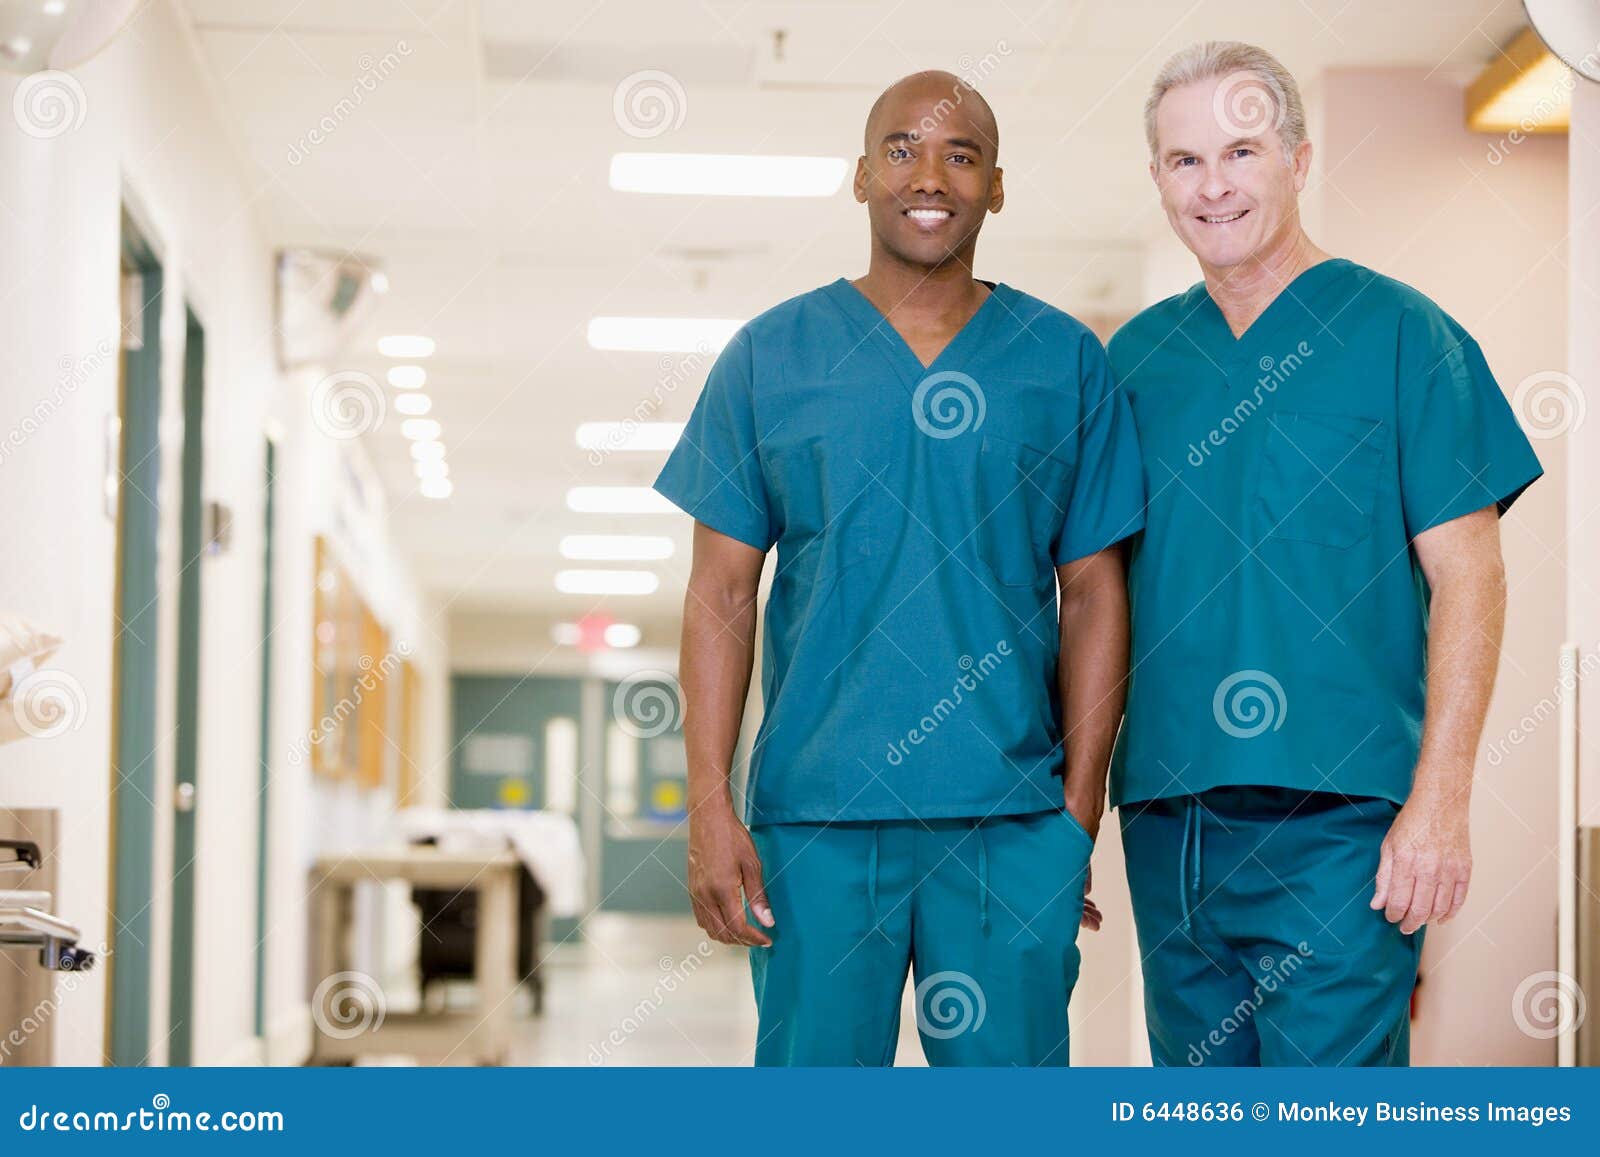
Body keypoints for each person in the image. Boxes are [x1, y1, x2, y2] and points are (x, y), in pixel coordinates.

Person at [653, 69, 1144, 1066]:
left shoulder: (1060, 360)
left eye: (961, 154)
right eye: (903, 149)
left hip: (1007, 821)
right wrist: (710, 800)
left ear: (995, 186)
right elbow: (721, 594)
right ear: (860, 175)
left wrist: (1073, 819)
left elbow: (1095, 591)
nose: (931, 175)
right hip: (816, 818)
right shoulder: (770, 356)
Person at [1109, 41, 1544, 1067]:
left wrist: (1439, 799)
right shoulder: (1132, 364)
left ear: (1298, 160)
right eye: (1184, 161)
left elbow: (1468, 574)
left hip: (1340, 824)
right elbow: (1090, 601)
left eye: (1241, 150)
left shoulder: (1402, 336)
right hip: (1169, 818)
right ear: (1159, 180)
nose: (1213, 186)